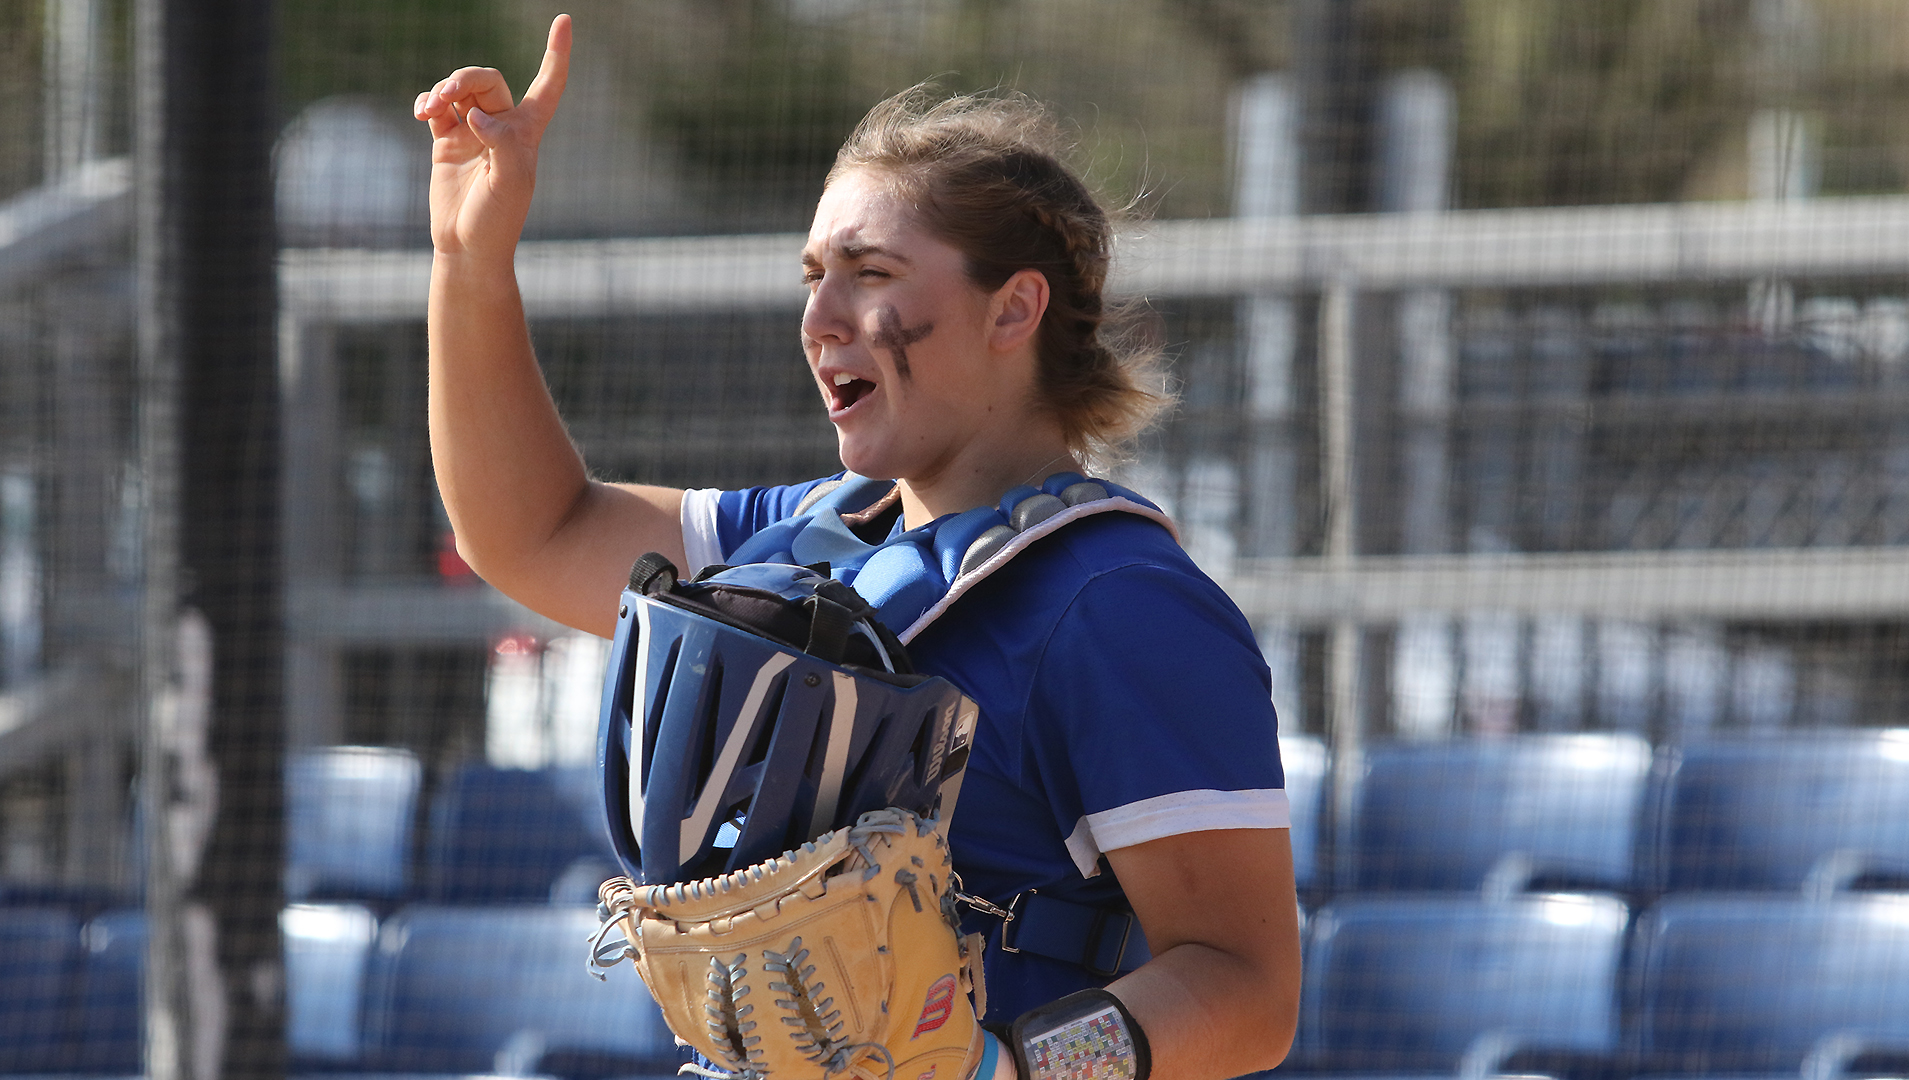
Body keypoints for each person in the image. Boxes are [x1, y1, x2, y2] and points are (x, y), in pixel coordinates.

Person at [415, 15, 1300, 1080]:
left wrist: (1002, 1070)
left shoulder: (1121, 604)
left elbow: (1246, 986)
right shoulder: (810, 535)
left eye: (871, 272)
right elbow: (533, 531)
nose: (820, 316)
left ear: (1014, 308)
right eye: (811, 275)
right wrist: (471, 261)